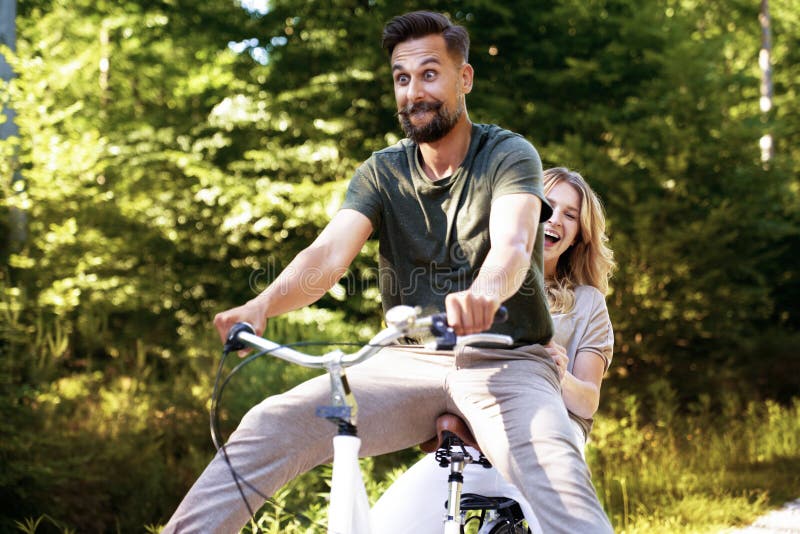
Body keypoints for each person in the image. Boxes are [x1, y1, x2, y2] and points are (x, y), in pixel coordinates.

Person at [163, 11, 613, 534]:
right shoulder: (383, 172)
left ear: (463, 79)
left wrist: (486, 294)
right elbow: (328, 256)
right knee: (271, 422)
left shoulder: (509, 155)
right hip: (408, 359)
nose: (413, 91)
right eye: (402, 78)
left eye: (429, 74)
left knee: (559, 477)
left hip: (509, 363)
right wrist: (262, 305)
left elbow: (513, 244)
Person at [370, 167, 616, 533]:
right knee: (385, 521)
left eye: (571, 215)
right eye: (549, 206)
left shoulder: (587, 303)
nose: (557, 220)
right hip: (478, 434)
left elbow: (586, 402)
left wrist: (556, 373)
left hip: (550, 436)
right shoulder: (480, 285)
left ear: (580, 235)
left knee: (567, 522)